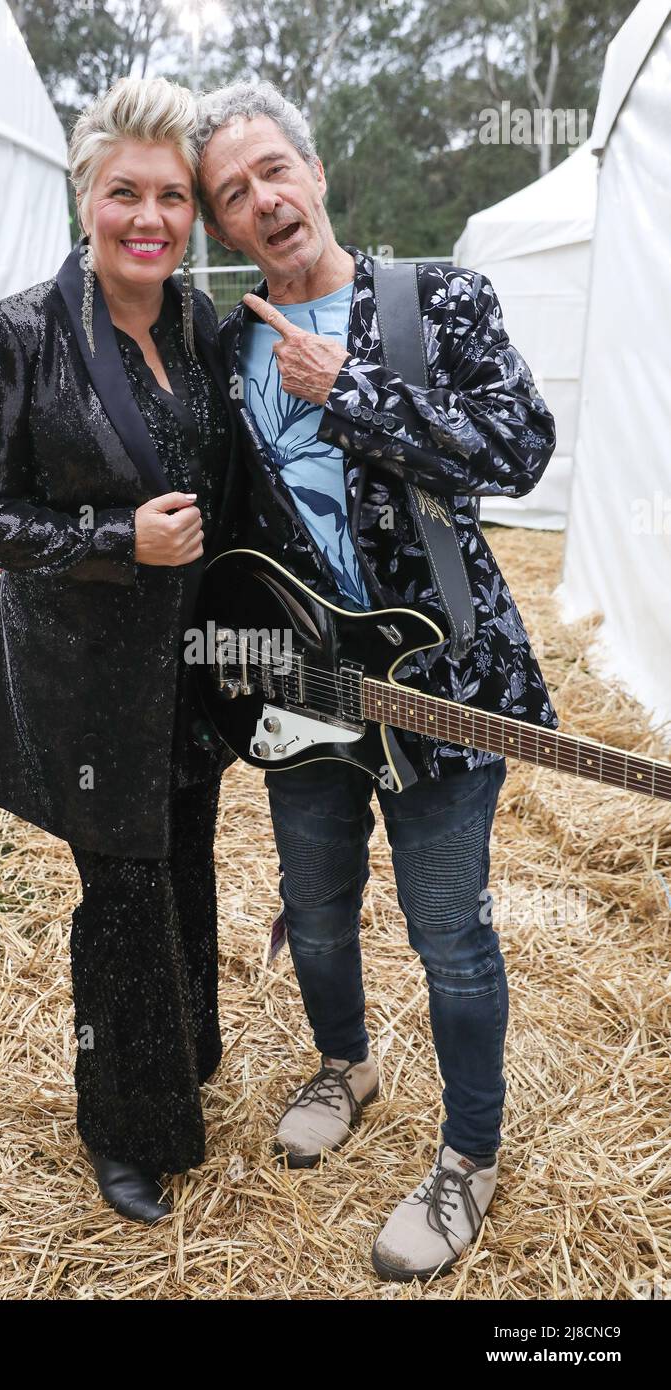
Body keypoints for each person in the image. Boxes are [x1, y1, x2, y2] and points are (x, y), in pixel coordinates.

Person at [194, 80, 558, 1280]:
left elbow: (518, 447)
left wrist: (347, 391)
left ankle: (467, 1157)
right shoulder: (226, 342)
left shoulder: (432, 299)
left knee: (448, 934)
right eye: (231, 195)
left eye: (270, 171)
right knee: (312, 909)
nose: (261, 201)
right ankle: (344, 1061)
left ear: (313, 169)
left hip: (440, 683)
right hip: (306, 693)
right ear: (224, 226)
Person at [0, 76, 243, 1225]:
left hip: (188, 674)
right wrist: (118, 539)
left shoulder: (197, 325)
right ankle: (121, 1123)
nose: (149, 218)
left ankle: (188, 1060)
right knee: (119, 901)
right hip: (79, 684)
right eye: (126, 192)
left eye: (171, 197)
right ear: (86, 197)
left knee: (190, 868)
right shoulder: (15, 334)